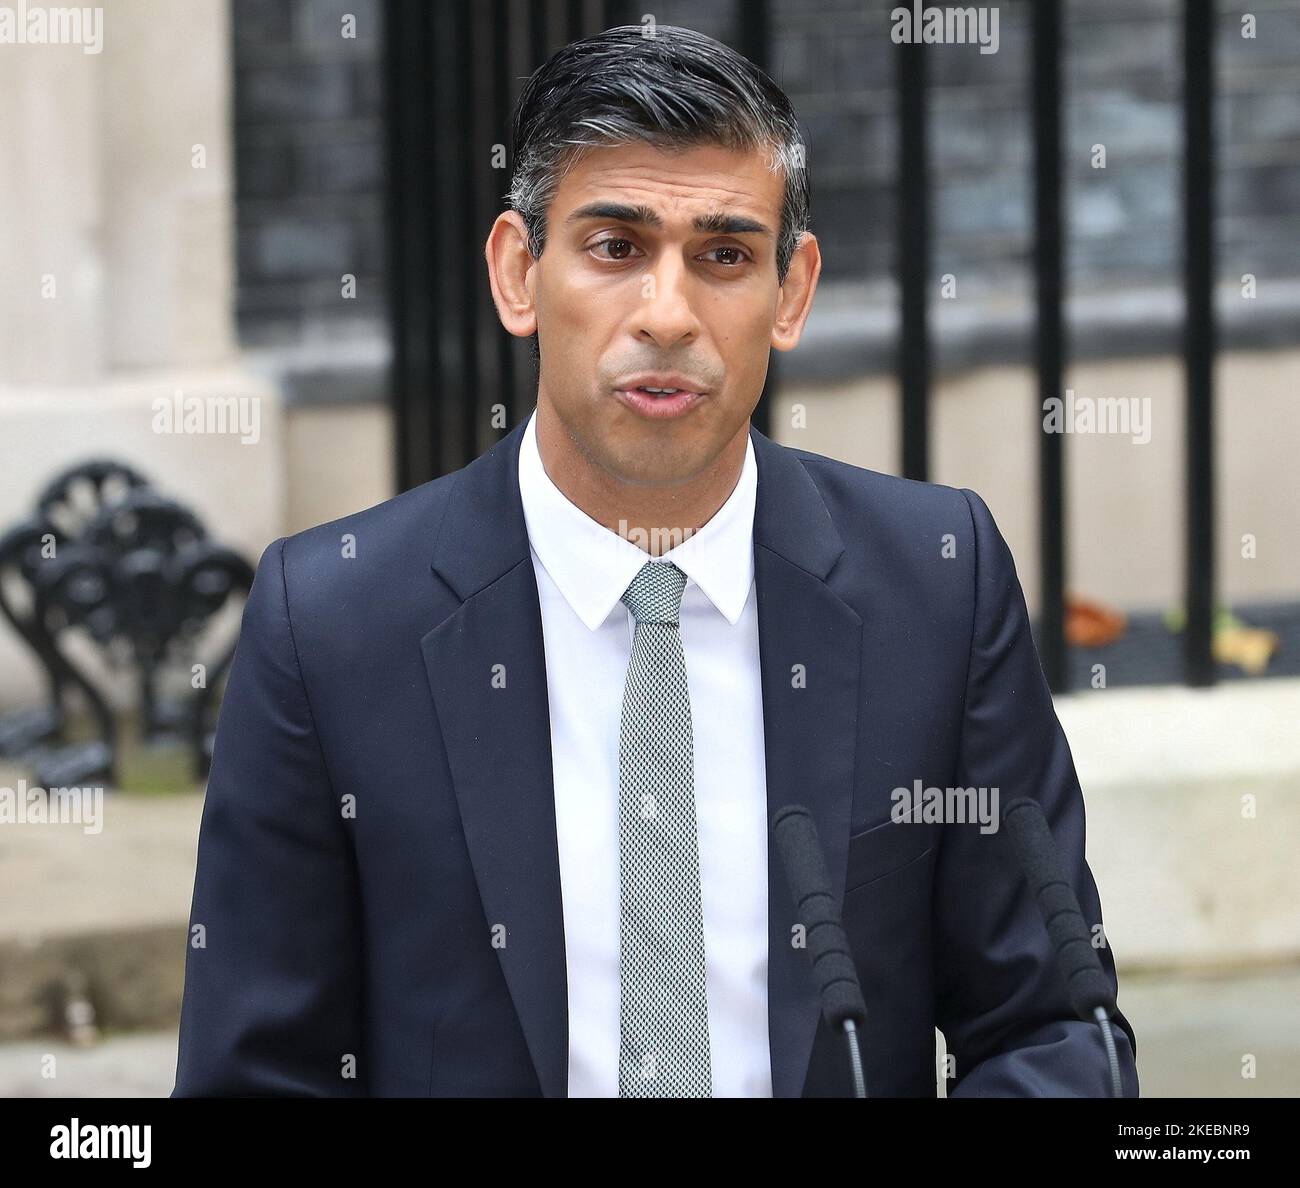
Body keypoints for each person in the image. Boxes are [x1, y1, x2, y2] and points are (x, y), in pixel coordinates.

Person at [173, 24, 1137, 1098]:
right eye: (616, 247)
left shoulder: (935, 584)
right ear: (517, 275)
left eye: (724, 254)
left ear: (791, 293)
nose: (668, 315)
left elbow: (1055, 1033)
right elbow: (256, 1078)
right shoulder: (334, 621)